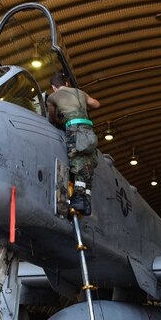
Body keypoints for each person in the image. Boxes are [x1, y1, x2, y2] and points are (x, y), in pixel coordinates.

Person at [46, 71, 100, 215]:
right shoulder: (79, 92)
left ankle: (79, 199)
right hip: (88, 130)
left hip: (74, 129)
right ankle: (86, 202)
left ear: (53, 87)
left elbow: (52, 118)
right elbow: (96, 104)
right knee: (89, 164)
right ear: (67, 83)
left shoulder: (52, 97)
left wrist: (61, 119)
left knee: (77, 161)